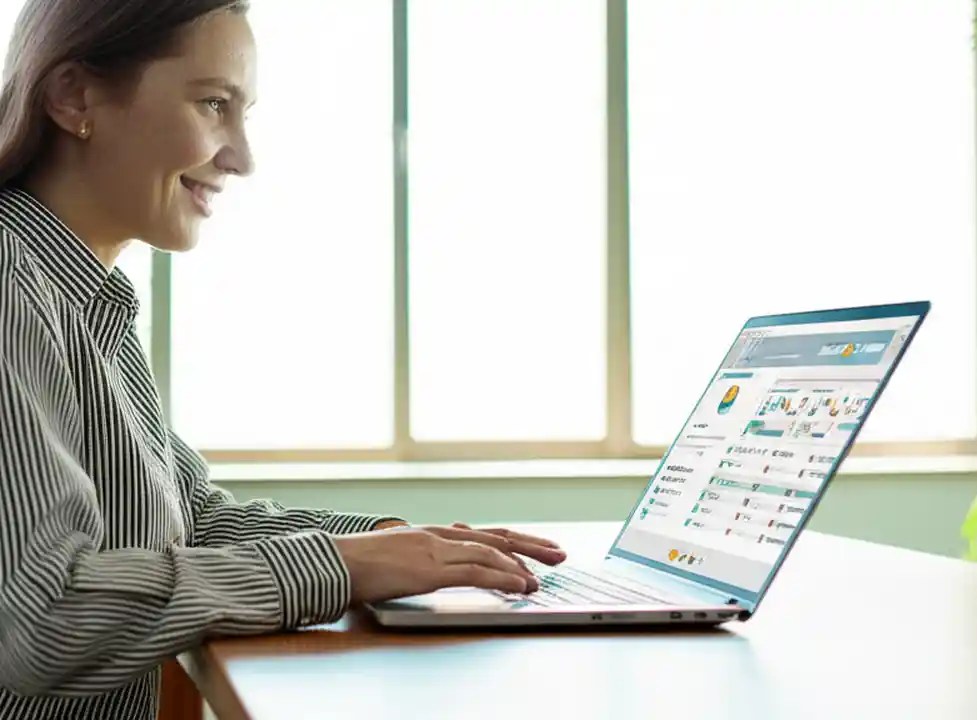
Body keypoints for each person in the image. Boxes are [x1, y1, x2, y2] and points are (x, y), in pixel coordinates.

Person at [0, 2, 566, 718]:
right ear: (74, 96)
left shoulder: (82, 296)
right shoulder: (9, 283)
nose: (242, 156)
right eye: (212, 105)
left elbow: (192, 520)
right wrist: (340, 567)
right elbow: (44, 617)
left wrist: (389, 543)